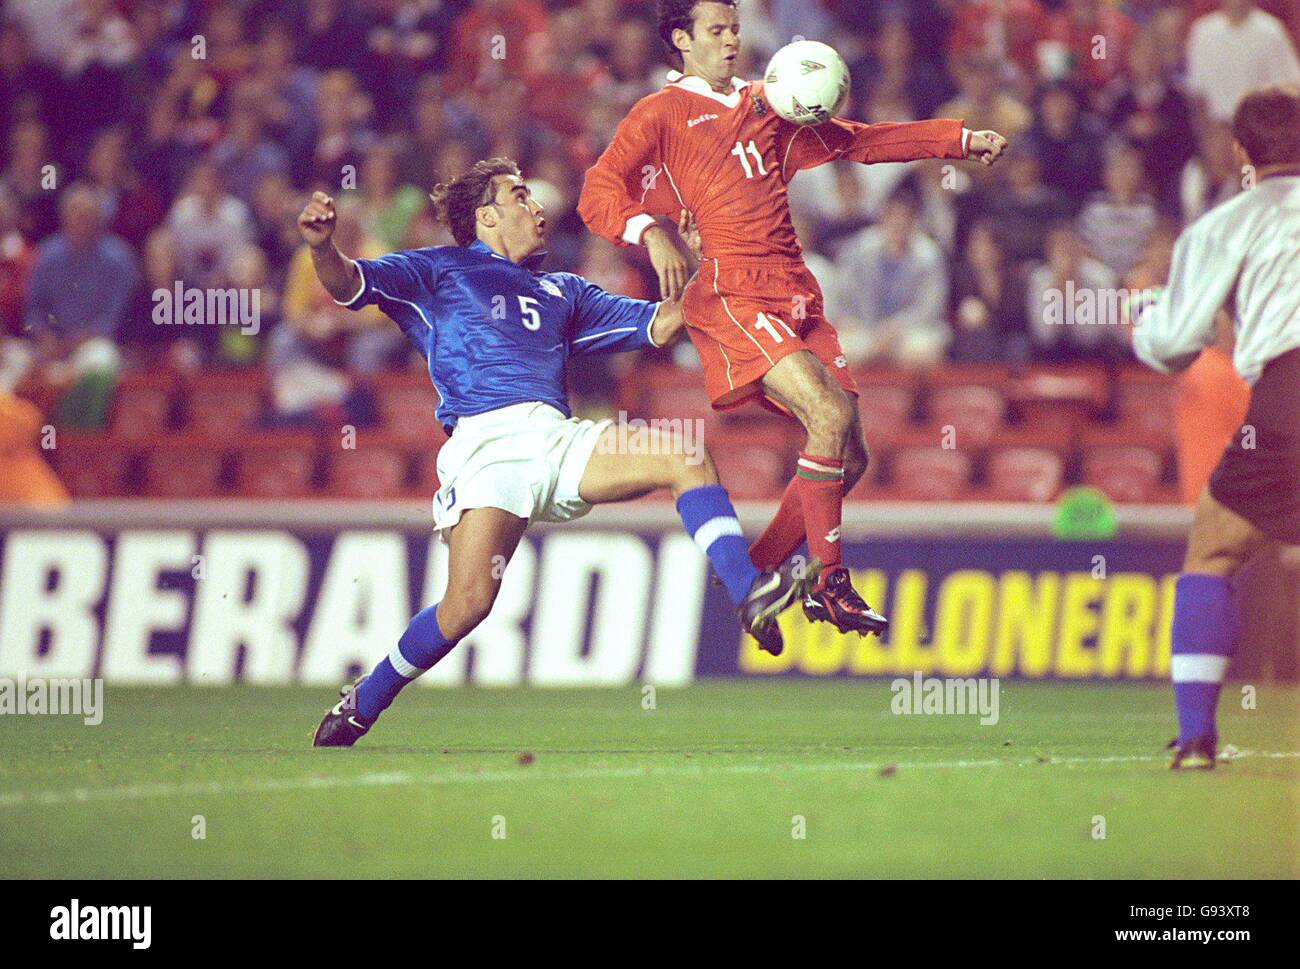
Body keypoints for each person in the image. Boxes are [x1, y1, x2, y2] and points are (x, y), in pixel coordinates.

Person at [305, 157, 812, 746]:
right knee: (467, 605)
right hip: (485, 448)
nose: (538, 207)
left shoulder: (562, 291)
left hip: (556, 437)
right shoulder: (437, 270)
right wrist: (322, 247)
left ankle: (748, 591)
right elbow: (348, 285)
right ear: (488, 216)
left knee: (686, 457)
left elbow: (667, 323)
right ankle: (364, 701)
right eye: (521, 196)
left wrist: (711, 260)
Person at [579, 0, 1008, 638]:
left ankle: (754, 580)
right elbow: (598, 190)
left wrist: (958, 141)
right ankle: (831, 583)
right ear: (680, 39)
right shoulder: (662, 112)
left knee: (850, 454)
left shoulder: (771, 103)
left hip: (796, 296)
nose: (731, 40)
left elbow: (861, 141)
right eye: (716, 30)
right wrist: (653, 233)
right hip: (733, 294)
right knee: (828, 416)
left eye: (734, 28)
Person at [1130, 85, 1300, 769]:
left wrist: (1145, 313)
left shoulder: (1226, 224)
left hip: (1289, 394)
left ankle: (1197, 735)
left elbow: (1175, 343)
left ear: (1239, 154)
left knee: (1213, 550)